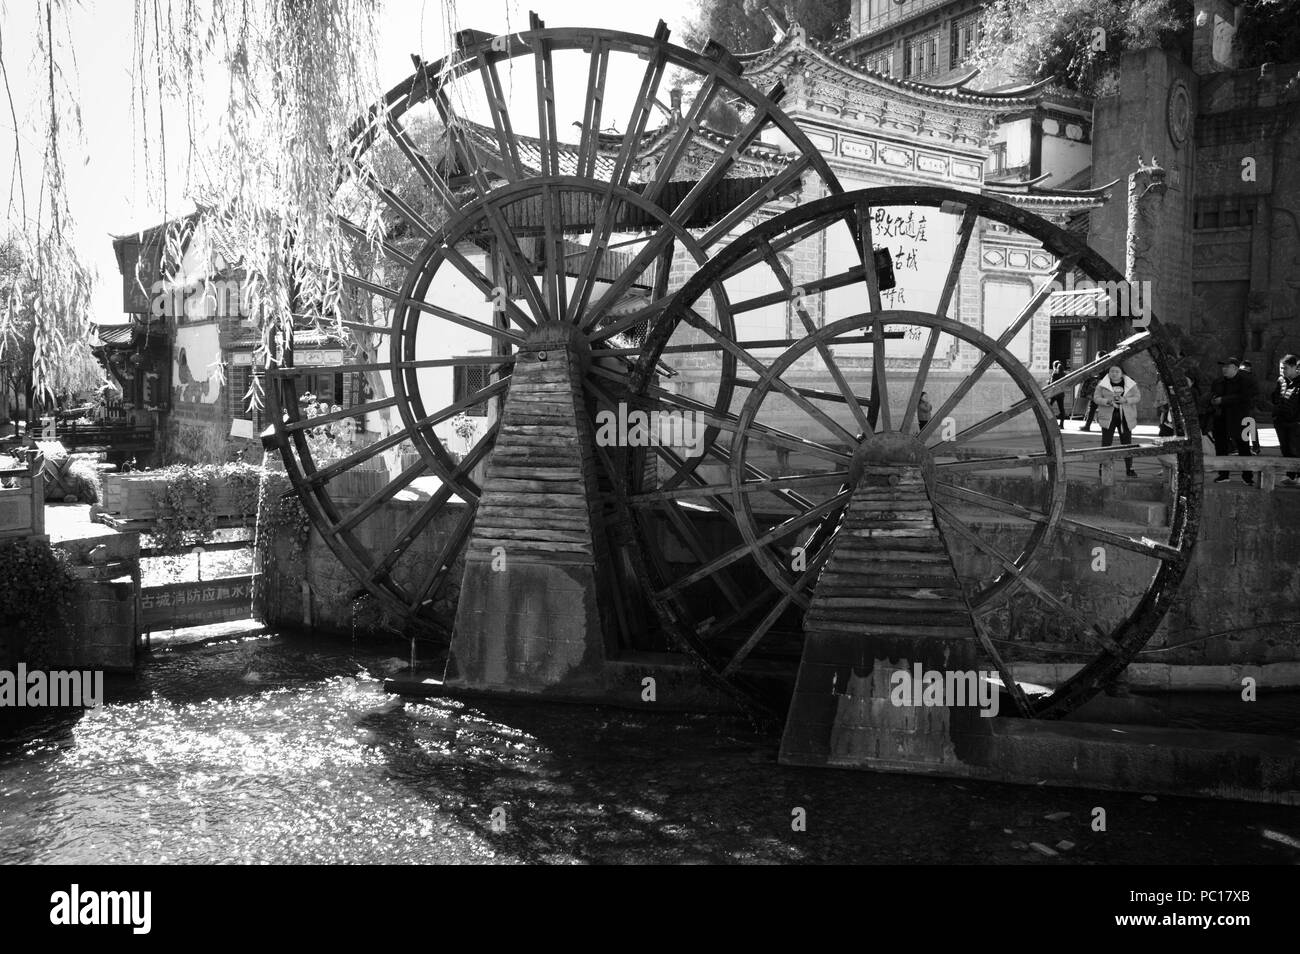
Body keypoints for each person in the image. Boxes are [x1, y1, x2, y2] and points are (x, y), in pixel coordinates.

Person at [1210, 356, 1257, 484]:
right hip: (1221, 419)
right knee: (1221, 447)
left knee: (1244, 447)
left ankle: (1248, 477)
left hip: (1240, 419)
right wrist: (1213, 400)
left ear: (1235, 368)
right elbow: (1212, 393)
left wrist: (1224, 400)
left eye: (1227, 366)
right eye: (1222, 366)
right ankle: (1223, 474)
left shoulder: (1246, 380)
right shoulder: (1218, 381)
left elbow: (1245, 397)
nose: (1223, 369)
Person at [1092, 364, 1141, 478]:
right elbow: (1096, 398)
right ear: (1108, 373)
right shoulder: (1102, 384)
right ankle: (1102, 467)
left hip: (1125, 417)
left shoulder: (1130, 384)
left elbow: (1137, 397)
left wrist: (1126, 400)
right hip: (1108, 417)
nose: (1114, 373)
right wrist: (1108, 401)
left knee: (1127, 443)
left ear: (1122, 373)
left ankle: (1130, 468)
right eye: (1111, 371)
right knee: (1106, 443)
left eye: (1116, 371)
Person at [1272, 354, 1300, 485]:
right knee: (1286, 449)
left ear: (1295, 367)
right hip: (1280, 420)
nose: (1282, 370)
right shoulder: (1281, 380)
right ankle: (1291, 476)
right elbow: (1275, 397)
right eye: (1281, 368)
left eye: (1285, 368)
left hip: (1295, 422)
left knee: (1296, 449)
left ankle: (1298, 476)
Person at [1240, 360, 1263, 454]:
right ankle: (1255, 447)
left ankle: (1246, 447)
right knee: (1251, 427)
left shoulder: (1243, 377)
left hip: (1245, 406)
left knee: (1246, 427)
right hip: (1249, 406)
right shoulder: (1253, 378)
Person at [1079, 351, 1106, 431]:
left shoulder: (1101, 365)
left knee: (1093, 407)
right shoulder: (1108, 364)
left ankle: (1088, 426)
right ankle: (1103, 426)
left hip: (1100, 389)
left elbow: (1097, 375)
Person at [1047, 360, 1067, 427]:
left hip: (1054, 394)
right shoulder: (1064, 374)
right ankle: (1062, 424)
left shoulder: (1054, 373)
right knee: (1061, 408)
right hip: (1061, 393)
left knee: (1048, 407)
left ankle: (1048, 421)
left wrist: (1048, 382)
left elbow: (1051, 384)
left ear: (1054, 366)